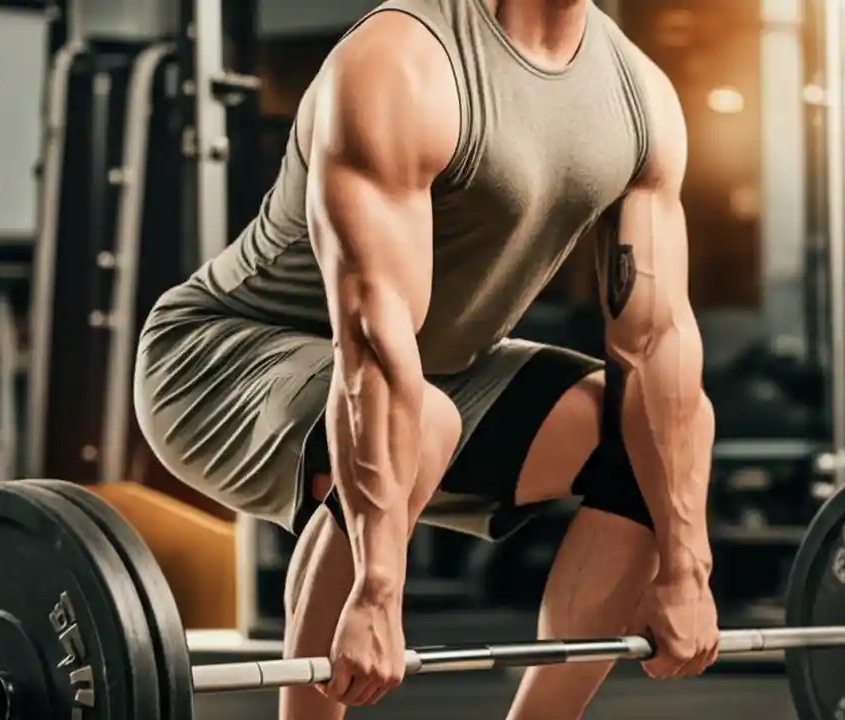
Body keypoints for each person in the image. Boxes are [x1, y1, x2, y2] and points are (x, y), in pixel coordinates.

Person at [134, 0, 719, 717]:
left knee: (646, 444)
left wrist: (688, 567)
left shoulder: (638, 95)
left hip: (437, 371)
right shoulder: (401, 63)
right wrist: (377, 589)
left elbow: (657, 340)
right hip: (217, 361)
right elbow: (373, 340)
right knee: (425, 421)